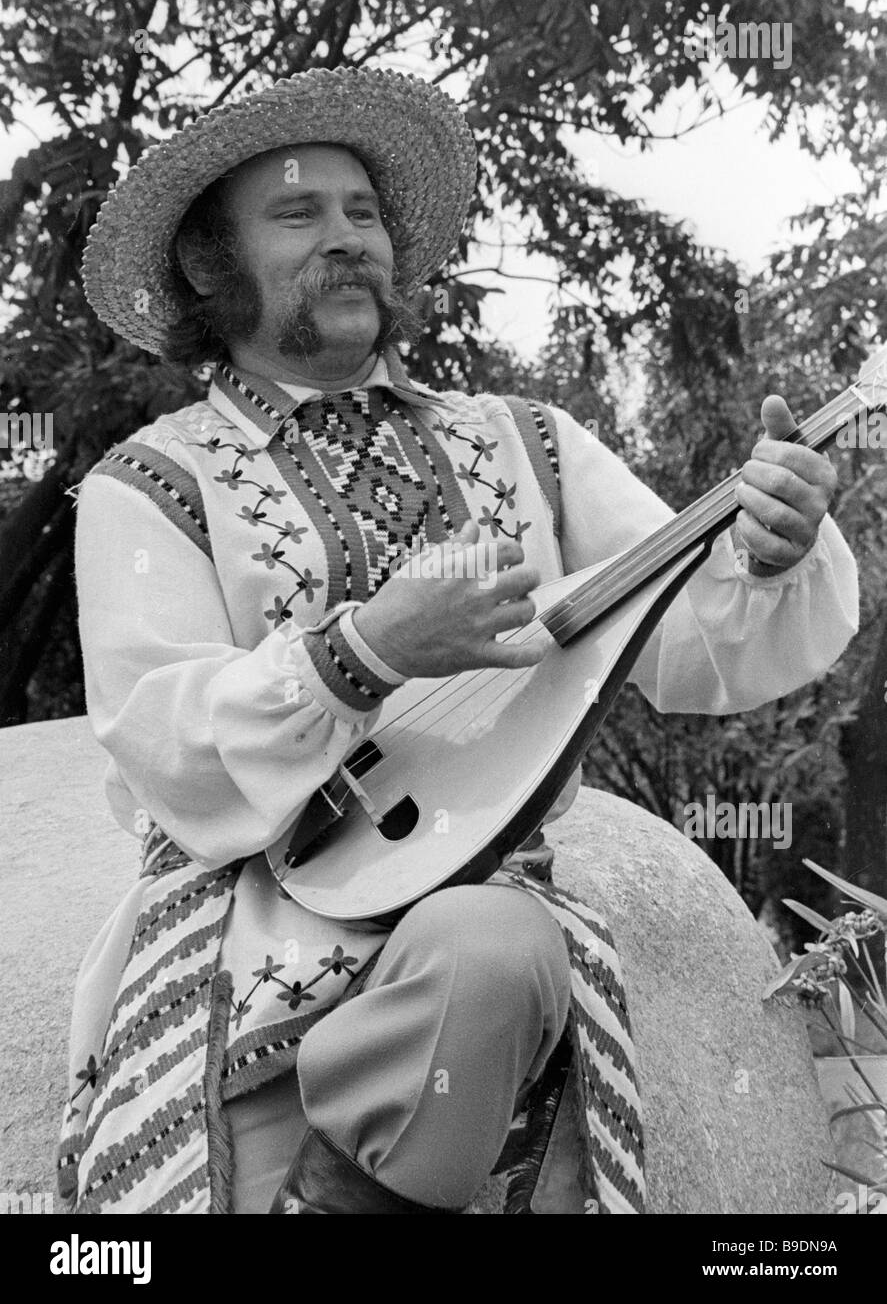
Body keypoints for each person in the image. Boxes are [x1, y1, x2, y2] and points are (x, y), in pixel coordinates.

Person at [59, 67, 858, 1216]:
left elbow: (688, 643)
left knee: (493, 947)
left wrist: (766, 555)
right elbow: (157, 734)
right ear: (210, 266)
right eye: (298, 213)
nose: (346, 239)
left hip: (476, 895)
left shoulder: (528, 440)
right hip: (255, 915)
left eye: (363, 213)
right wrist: (364, 653)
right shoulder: (152, 482)